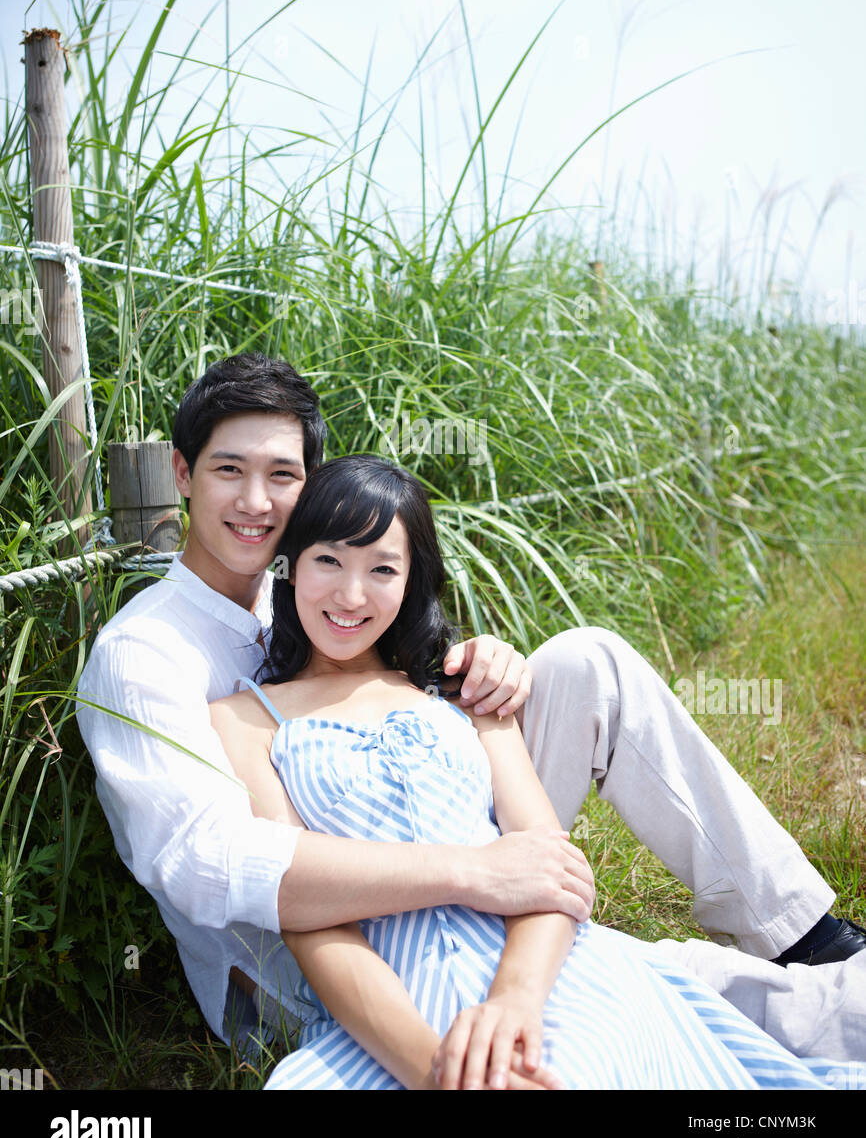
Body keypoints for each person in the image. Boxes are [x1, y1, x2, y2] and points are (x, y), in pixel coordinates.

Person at [75, 353, 864, 1066]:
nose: (256, 500)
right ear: (182, 474)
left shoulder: (308, 586)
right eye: (227, 471)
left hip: (423, 838)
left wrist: (480, 669)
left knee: (588, 663)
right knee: (670, 987)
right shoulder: (144, 654)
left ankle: (801, 933)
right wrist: (476, 873)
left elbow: (389, 676)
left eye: (282, 475)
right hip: (300, 968)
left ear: (310, 486)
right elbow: (215, 867)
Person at [208, 453, 865, 1090]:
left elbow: (551, 867)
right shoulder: (247, 718)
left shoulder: (460, 693)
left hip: (538, 968)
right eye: (328, 560)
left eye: (382, 567)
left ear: (412, 581)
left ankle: (807, 942)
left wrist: (514, 1005)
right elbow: (309, 918)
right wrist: (436, 1071)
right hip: (394, 1011)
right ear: (290, 568)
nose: (351, 594)